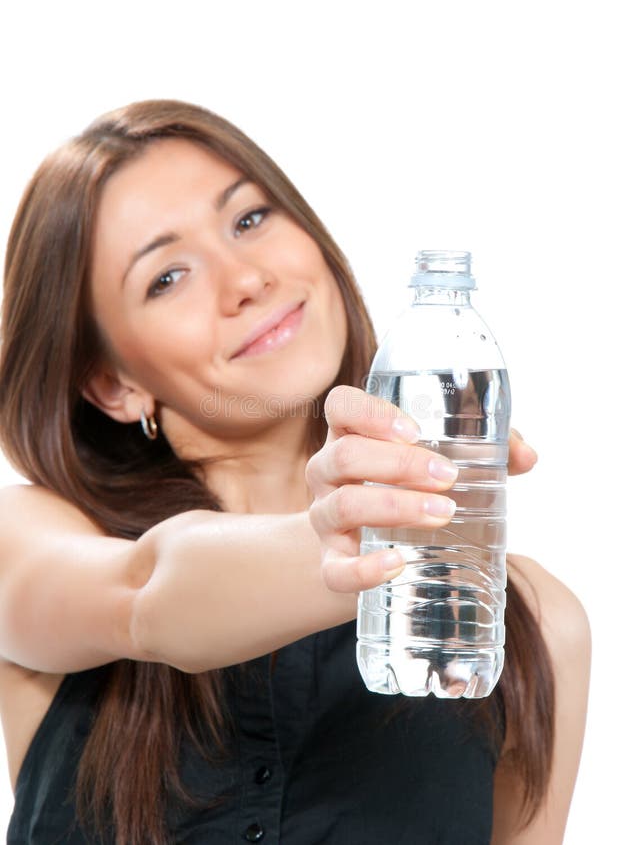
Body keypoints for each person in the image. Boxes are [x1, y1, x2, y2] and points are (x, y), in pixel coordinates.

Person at [0, 100, 590, 845]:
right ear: (113, 385)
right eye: (168, 277)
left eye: (249, 220)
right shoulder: (28, 539)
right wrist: (366, 539)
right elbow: (149, 594)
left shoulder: (534, 629)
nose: (244, 278)